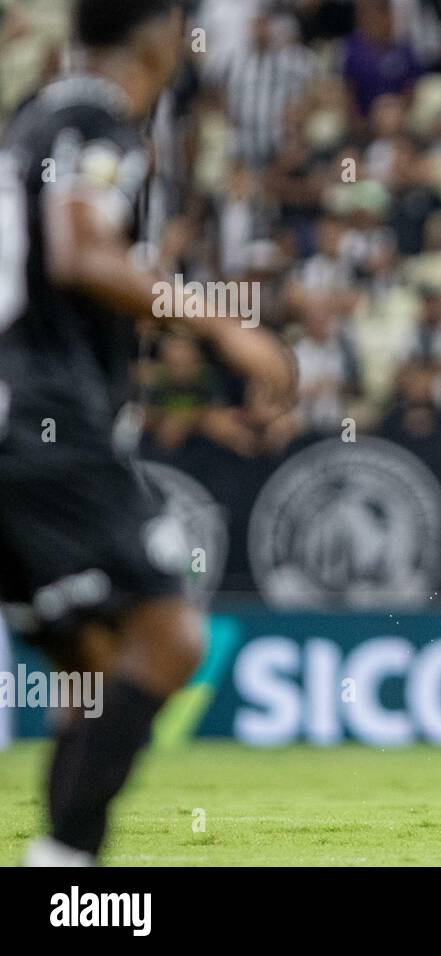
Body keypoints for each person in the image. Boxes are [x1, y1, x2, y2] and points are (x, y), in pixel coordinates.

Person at [0, 0, 295, 865]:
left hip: (23, 420)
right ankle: (63, 868)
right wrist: (221, 326)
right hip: (40, 422)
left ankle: (65, 883)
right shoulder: (97, 116)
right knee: (169, 636)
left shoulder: (40, 117)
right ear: (165, 34)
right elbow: (80, 253)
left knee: (90, 664)